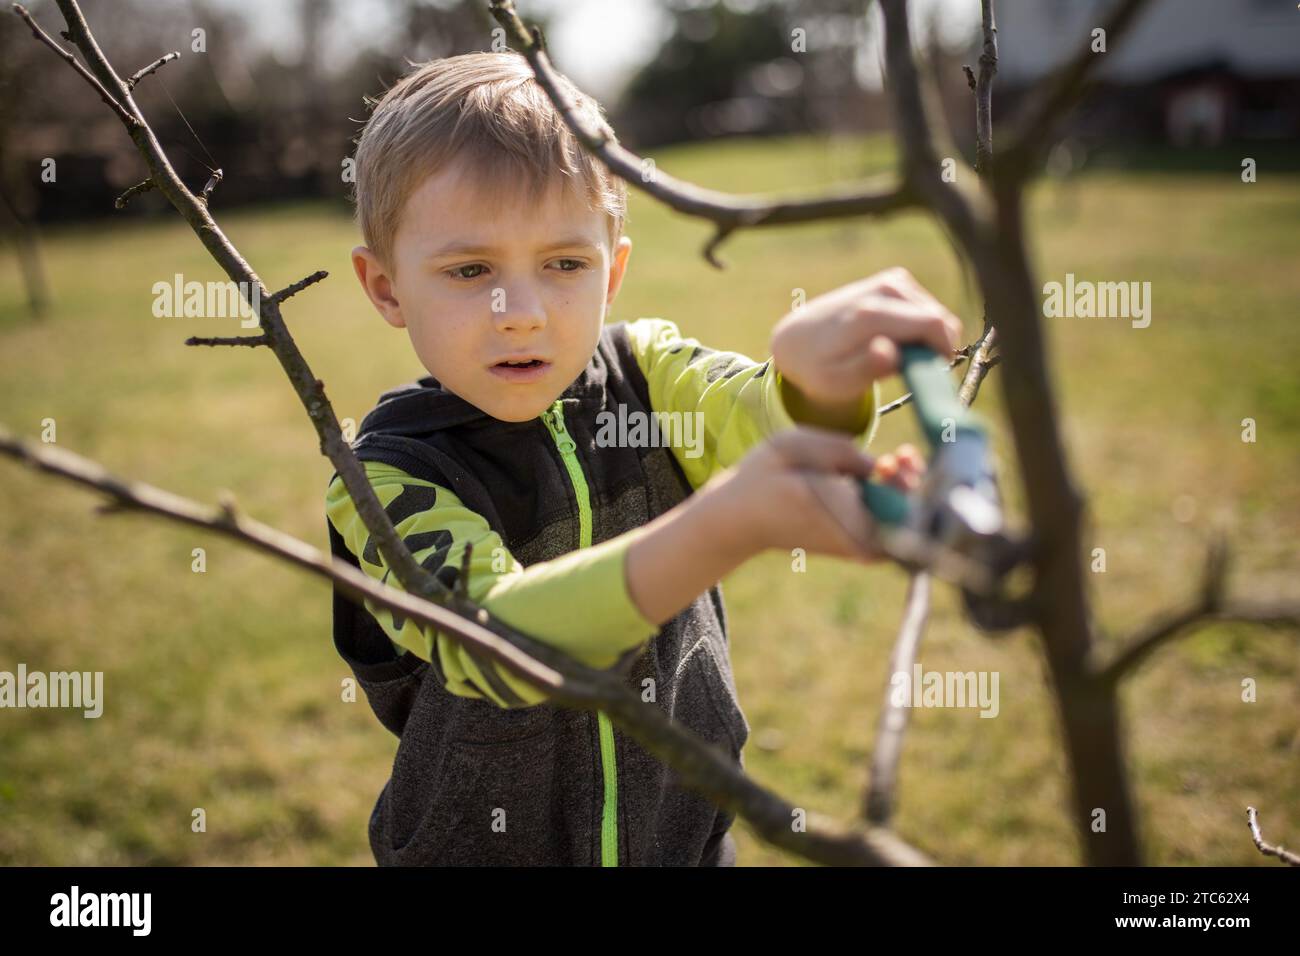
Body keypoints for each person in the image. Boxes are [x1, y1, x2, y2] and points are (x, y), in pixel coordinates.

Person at [325, 50, 960, 866]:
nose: (521, 313)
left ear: (613, 269)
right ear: (385, 287)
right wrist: (721, 525)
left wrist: (816, 382)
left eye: (564, 264)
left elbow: (767, 425)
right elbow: (495, 645)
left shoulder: (649, 376)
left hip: (685, 843)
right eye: (469, 268)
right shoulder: (387, 474)